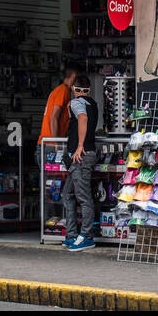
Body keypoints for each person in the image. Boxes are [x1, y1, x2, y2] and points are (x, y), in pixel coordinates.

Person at [62, 74, 99, 252]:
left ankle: (87, 237)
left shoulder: (77, 103)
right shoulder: (93, 103)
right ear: (89, 90)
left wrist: (79, 146)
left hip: (81, 156)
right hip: (81, 157)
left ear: (73, 90)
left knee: (83, 197)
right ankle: (71, 235)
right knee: (67, 194)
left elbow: (82, 119)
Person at [39, 64, 79, 143]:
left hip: (49, 142)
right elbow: (54, 118)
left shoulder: (61, 90)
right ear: (74, 76)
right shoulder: (63, 91)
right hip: (50, 144)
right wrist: (56, 143)